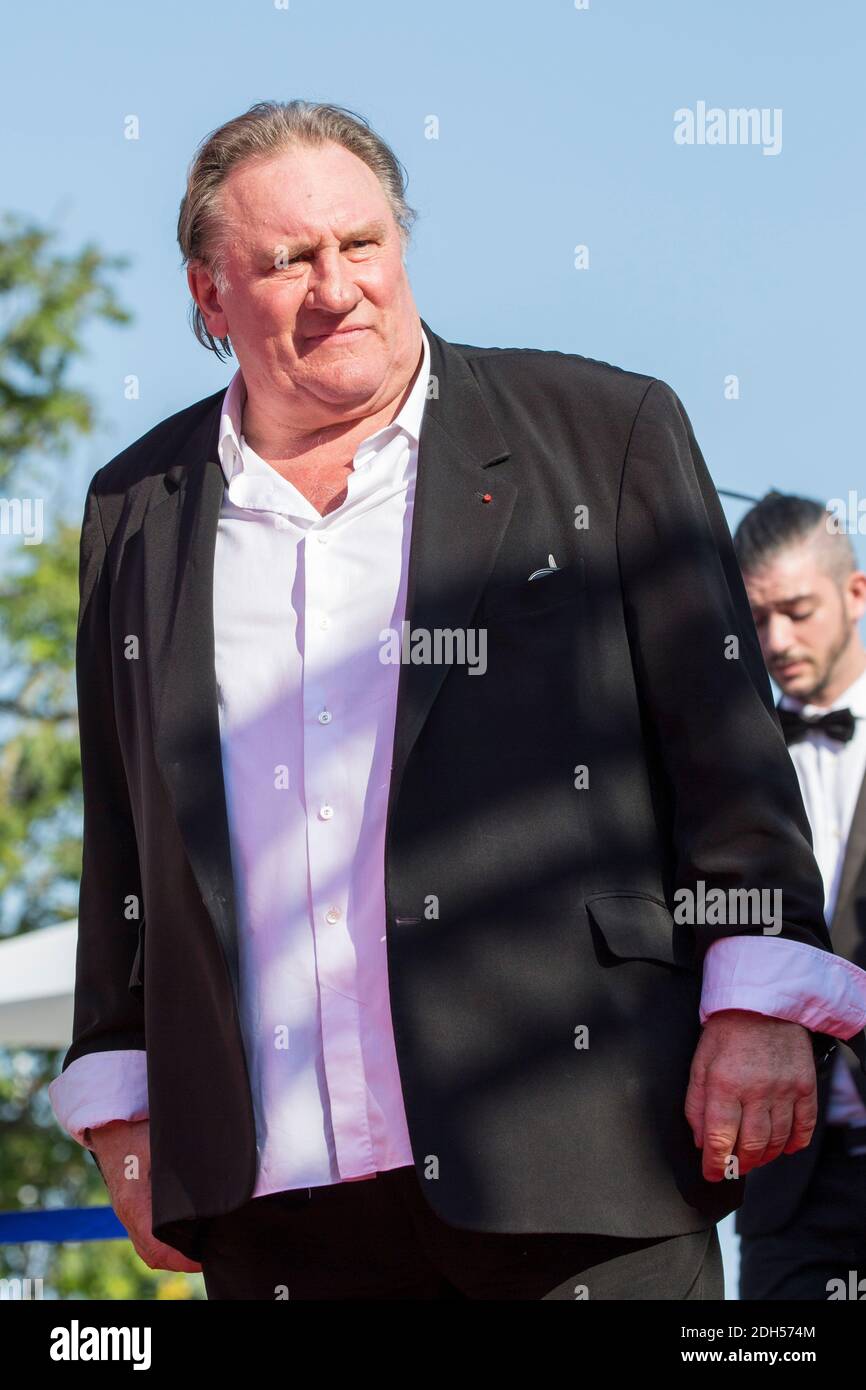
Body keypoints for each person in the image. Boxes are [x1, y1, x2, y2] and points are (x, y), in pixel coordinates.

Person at [48, 100, 866, 1300]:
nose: (339, 287)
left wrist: (762, 1002)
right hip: (280, 1199)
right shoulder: (137, 506)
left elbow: (726, 756)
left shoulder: (603, 433)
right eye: (288, 261)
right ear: (208, 294)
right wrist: (121, 1089)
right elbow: (125, 825)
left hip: (581, 1148)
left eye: (364, 245)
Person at [733, 491, 866, 1299]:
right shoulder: (726, 763)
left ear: (856, 593)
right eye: (757, 619)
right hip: (788, 1185)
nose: (777, 641)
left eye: (797, 611)